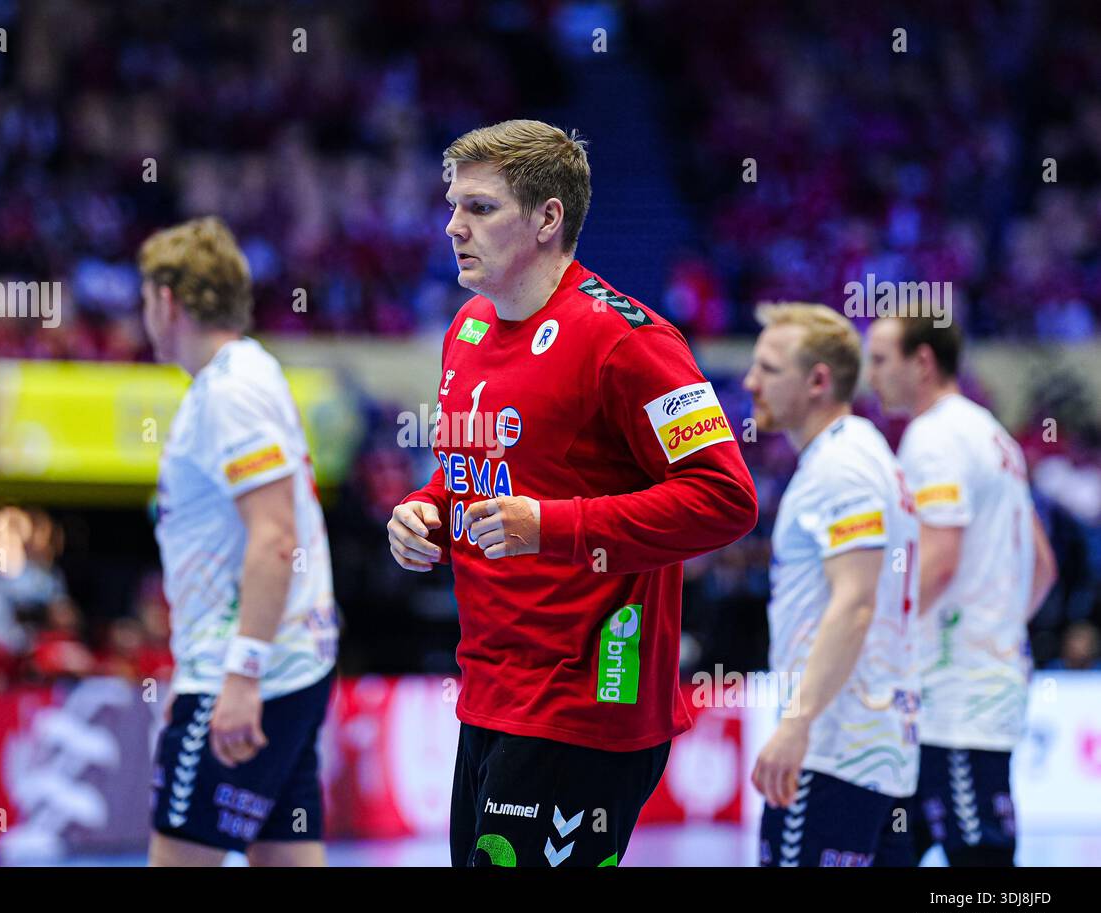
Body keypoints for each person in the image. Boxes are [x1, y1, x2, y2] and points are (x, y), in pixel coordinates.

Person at [387, 120, 758, 867]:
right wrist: (426, 510)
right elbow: (472, 474)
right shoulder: (465, 328)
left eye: (481, 208)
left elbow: (726, 498)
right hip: (490, 688)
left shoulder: (629, 341)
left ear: (548, 217)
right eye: (454, 205)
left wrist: (552, 528)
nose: (454, 226)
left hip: (588, 699)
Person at [139, 217, 339, 867]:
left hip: (253, 673)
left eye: (144, 299)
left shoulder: (231, 390)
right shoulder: (243, 377)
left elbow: (275, 537)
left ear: (166, 301)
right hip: (281, 666)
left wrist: (237, 675)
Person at [866, 312, 1057, 866]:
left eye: (881, 360)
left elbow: (941, 560)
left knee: (982, 871)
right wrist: (996, 632)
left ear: (922, 362)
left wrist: (875, 643)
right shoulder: (991, 433)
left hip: (951, 699)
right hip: (979, 682)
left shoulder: (935, 438)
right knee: (895, 846)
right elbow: (1041, 565)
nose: (870, 376)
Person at [743, 302, 920, 867]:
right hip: (867, 748)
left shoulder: (841, 468)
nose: (750, 382)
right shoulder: (862, 455)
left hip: (832, 752)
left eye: (769, 369)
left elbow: (856, 604)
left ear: (818, 380)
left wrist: (796, 726)